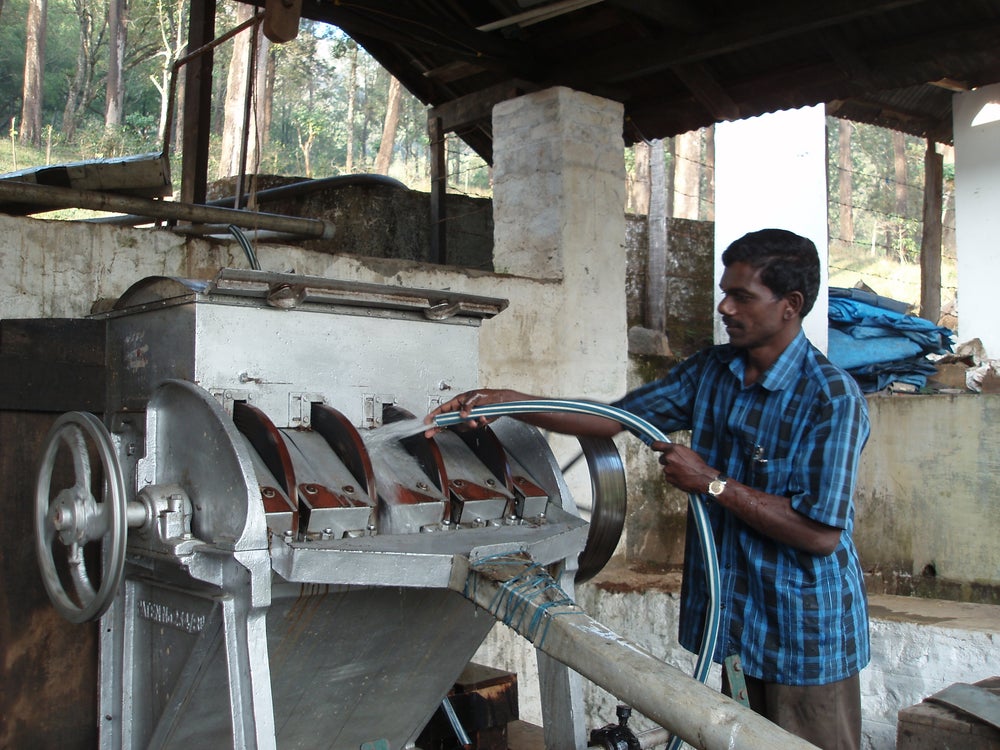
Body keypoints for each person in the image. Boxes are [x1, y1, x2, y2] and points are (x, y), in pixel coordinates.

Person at [425, 228, 870, 750]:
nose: (724, 307)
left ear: (790, 305)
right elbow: (612, 419)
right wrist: (506, 401)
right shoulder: (714, 371)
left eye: (742, 296)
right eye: (724, 292)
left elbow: (819, 533)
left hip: (803, 638)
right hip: (733, 630)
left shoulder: (830, 398)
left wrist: (713, 484)